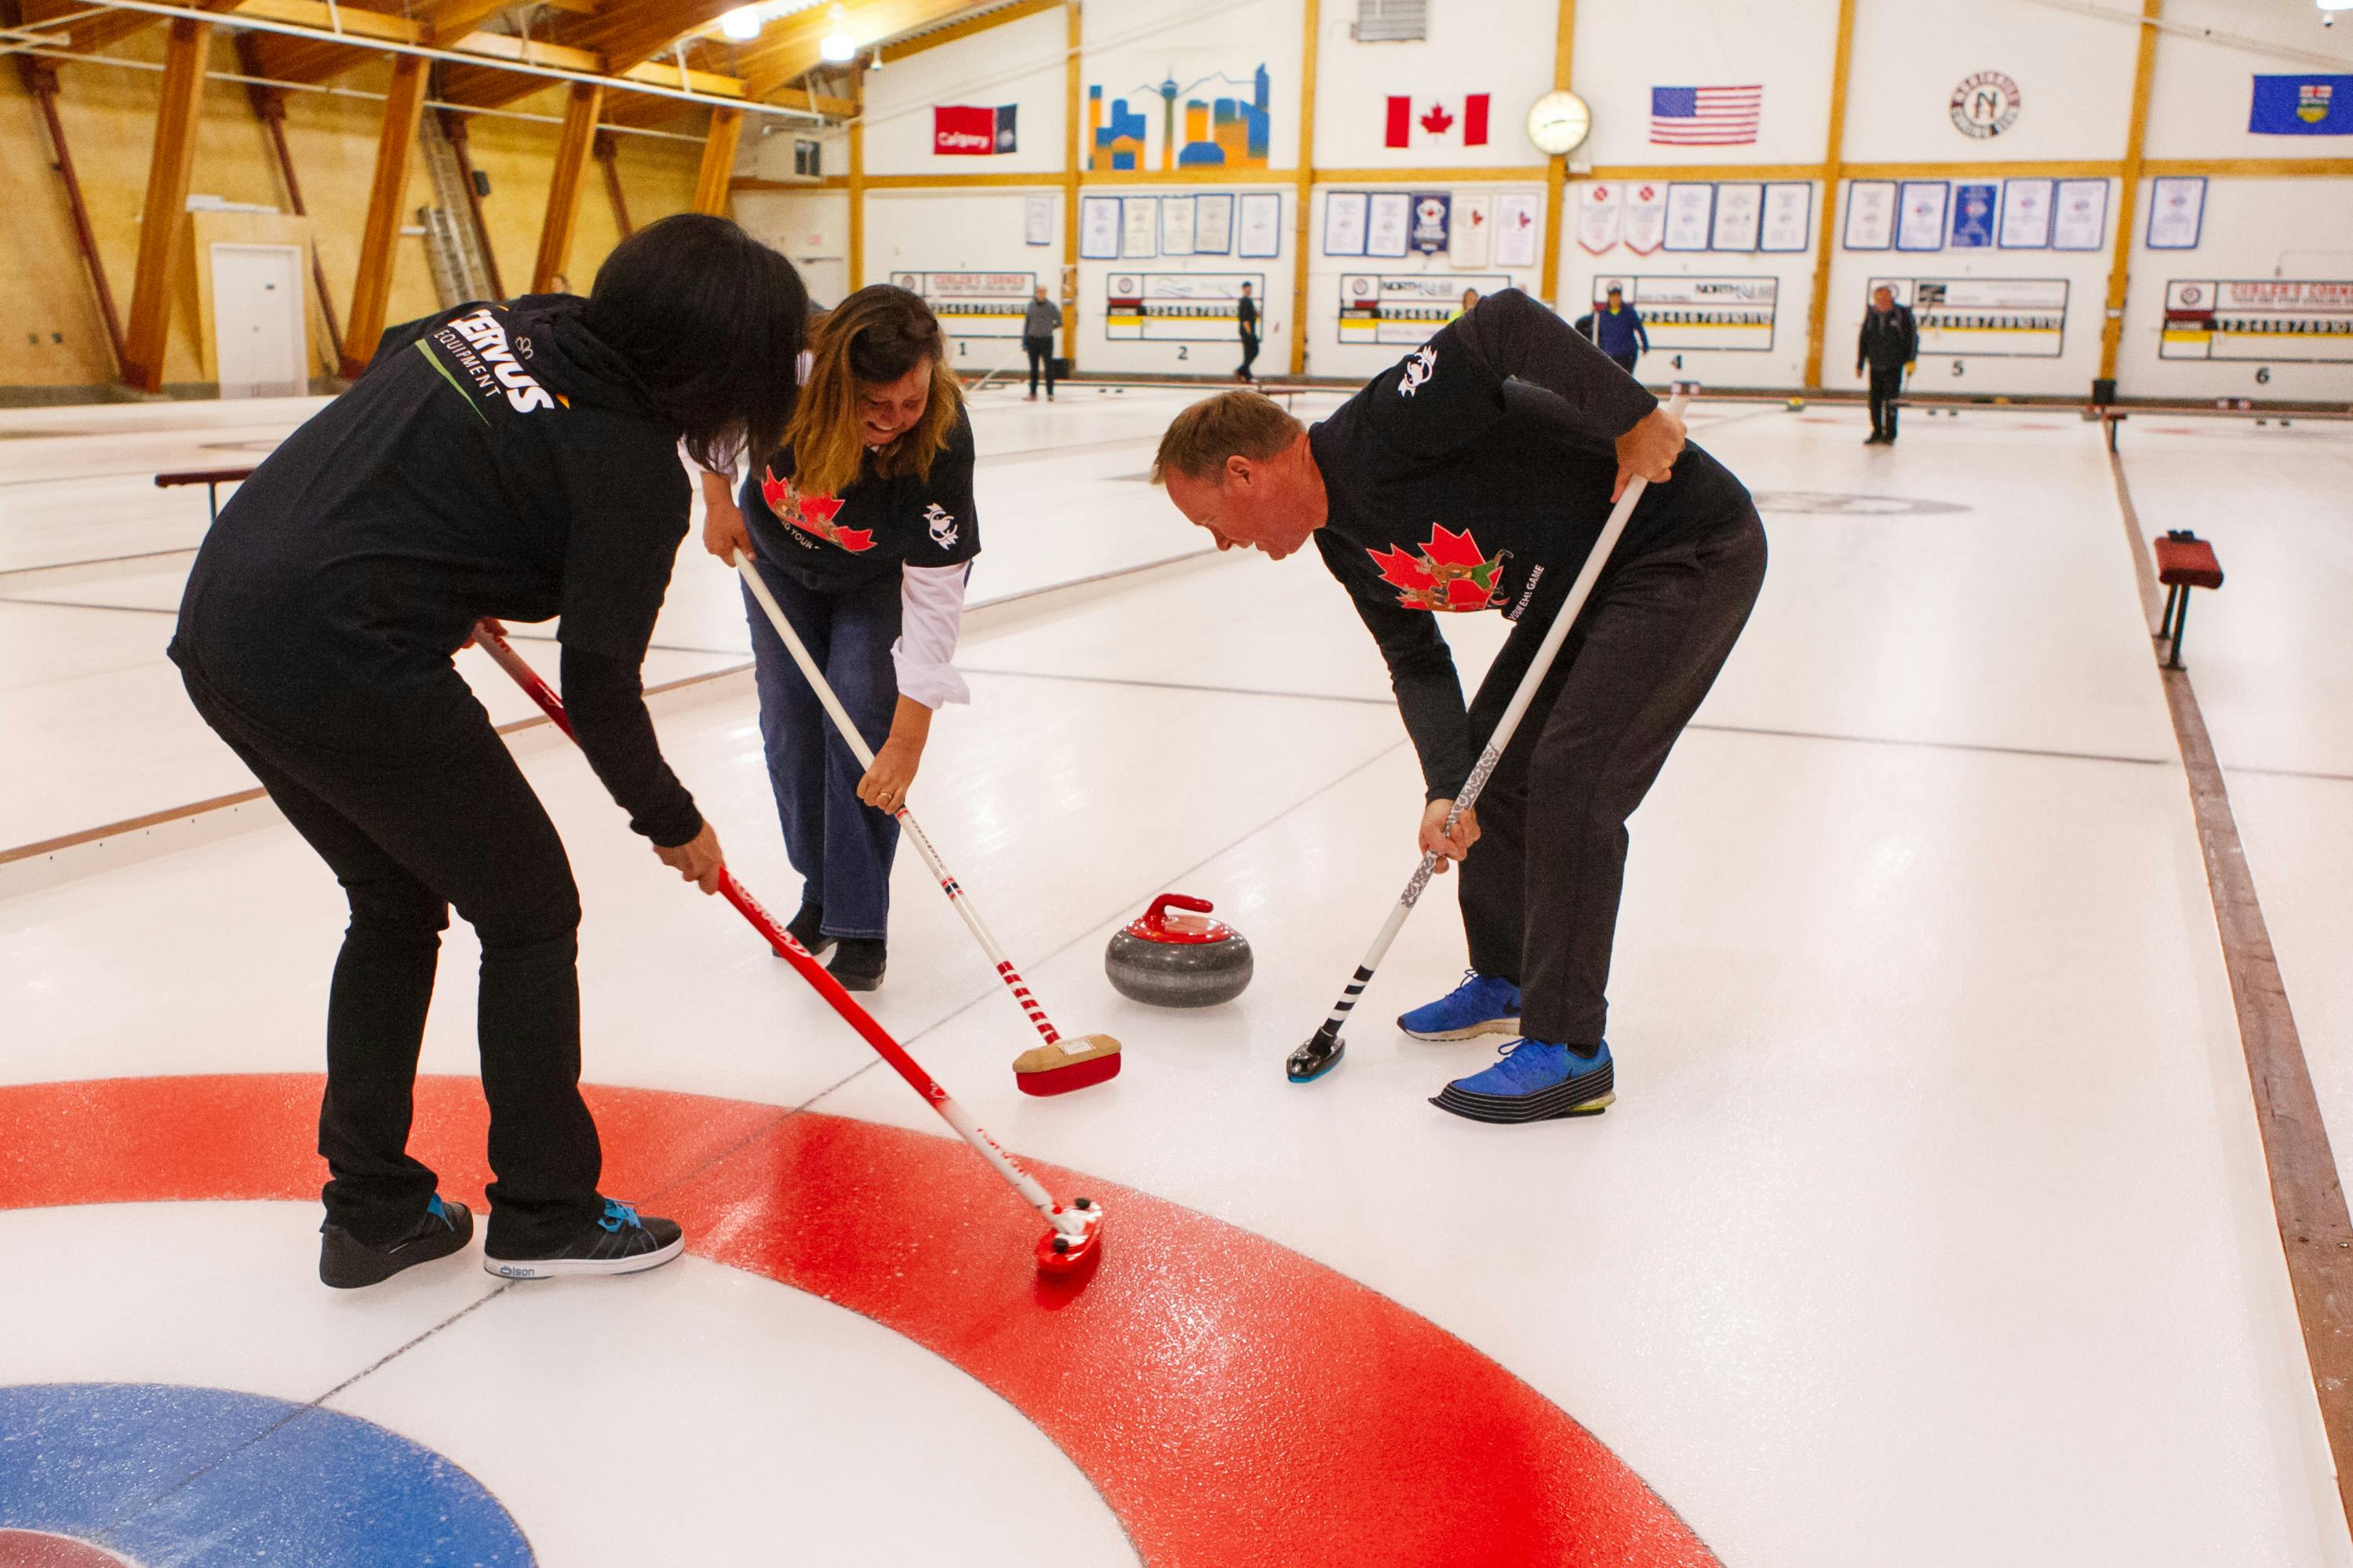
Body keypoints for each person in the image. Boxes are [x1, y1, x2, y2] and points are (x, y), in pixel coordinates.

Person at [169, 214, 808, 1286]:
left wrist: (442, 544)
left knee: (393, 900)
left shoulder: (505, 320)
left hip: (227, 622)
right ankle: (545, 1208)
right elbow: (600, 687)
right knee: (527, 912)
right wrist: (671, 817)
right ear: (709, 364)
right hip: (342, 650)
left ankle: (372, 1208)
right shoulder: (628, 471)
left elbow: (399, 358)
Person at [1150, 289, 1766, 1123]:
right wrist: (1445, 786)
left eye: (1211, 520)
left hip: (1675, 547)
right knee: (1490, 769)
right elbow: (1414, 659)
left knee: (1574, 777)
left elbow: (1503, 321)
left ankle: (1572, 1048)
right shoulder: (1342, 540)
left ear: (1244, 473)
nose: (1223, 541)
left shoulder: (1383, 430)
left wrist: (1628, 417)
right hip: (1578, 590)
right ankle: (1509, 976)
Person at [702, 285, 979, 993]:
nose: (893, 421)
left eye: (909, 402)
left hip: (874, 579)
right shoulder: (779, 372)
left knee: (860, 722)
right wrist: (715, 499)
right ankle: (821, 892)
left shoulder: (942, 435)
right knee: (790, 725)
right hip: (775, 559)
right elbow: (705, 416)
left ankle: (859, 920)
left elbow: (937, 590)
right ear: (832, 383)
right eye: (874, 405)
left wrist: (908, 737)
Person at [1856, 285, 1918, 445]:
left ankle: (1890, 433)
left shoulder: (1901, 314)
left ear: (1890, 297)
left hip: (1894, 364)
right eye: (1877, 299)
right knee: (1874, 401)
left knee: (1891, 400)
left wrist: (1911, 359)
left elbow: (1912, 337)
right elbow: (1863, 339)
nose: (1880, 301)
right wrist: (1860, 363)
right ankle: (1876, 431)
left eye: (1883, 298)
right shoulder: (1871, 315)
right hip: (1875, 363)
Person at [1592, 284, 1648, 377]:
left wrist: (1645, 345)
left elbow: (1640, 329)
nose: (1615, 299)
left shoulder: (1629, 312)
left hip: (1627, 355)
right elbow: (1600, 335)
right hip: (1609, 355)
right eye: (1613, 297)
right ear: (1609, 298)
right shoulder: (1603, 314)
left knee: (1626, 381)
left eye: (1617, 296)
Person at [1022, 285, 1062, 401]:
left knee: (1048, 367)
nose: (1042, 293)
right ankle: (1033, 393)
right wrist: (1025, 341)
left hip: (1046, 340)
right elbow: (1027, 324)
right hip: (1032, 339)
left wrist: (1049, 328)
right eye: (1040, 291)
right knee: (1033, 368)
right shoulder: (1031, 306)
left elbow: (1059, 321)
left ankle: (1050, 393)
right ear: (1036, 292)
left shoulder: (1051, 306)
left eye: (1044, 291)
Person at [1236, 282, 1259, 384]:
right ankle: (1241, 370)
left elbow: (1250, 313)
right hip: (1247, 331)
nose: (1249, 290)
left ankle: (1246, 375)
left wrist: (1256, 313)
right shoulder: (1245, 301)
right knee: (1255, 351)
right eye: (1247, 288)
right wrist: (1249, 332)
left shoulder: (1247, 301)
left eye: (1250, 288)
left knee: (1248, 353)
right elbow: (1245, 319)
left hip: (1247, 330)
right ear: (1244, 289)